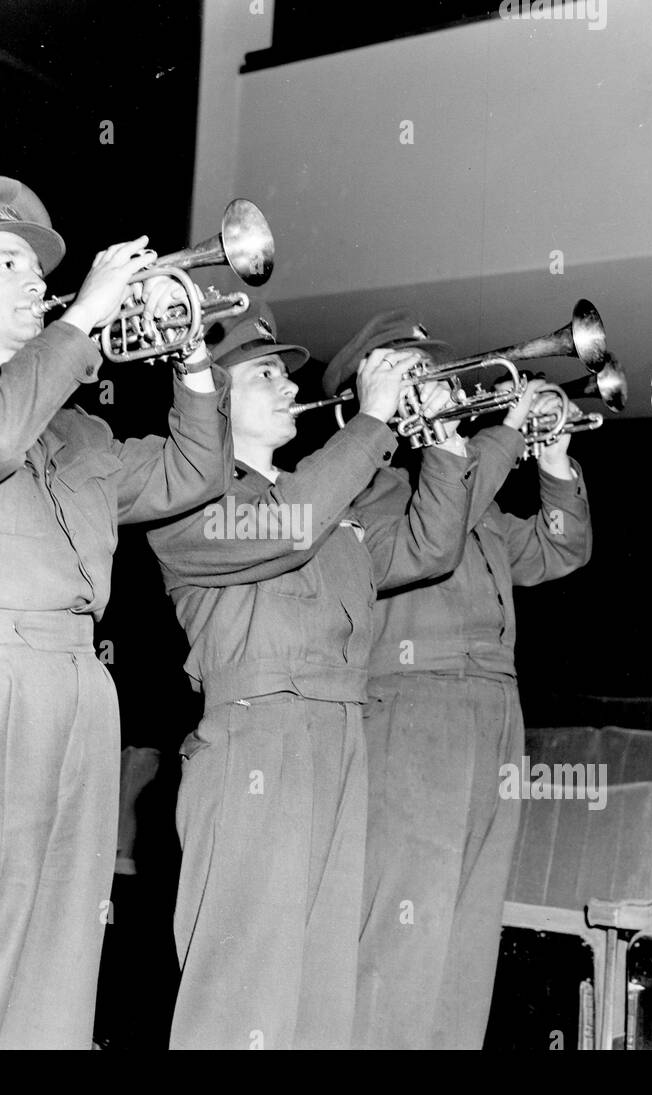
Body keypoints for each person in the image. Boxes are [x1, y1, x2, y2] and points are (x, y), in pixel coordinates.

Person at [0, 176, 231, 1049]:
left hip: (80, 692)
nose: (32, 278)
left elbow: (190, 475)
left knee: (55, 970)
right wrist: (79, 323)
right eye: (7, 261)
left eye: (38, 266)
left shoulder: (78, 433)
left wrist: (194, 360)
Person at [146, 303, 481, 1049]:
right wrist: (370, 422)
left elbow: (429, 548)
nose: (289, 384)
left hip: (339, 737)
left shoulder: (328, 504)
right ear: (217, 396)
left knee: (319, 993)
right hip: (256, 739)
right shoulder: (192, 500)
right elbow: (287, 526)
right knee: (242, 994)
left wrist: (448, 445)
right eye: (266, 372)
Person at [326, 311, 592, 1050]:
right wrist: (501, 434)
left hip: (495, 716)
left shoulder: (456, 485)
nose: (439, 389)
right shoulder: (363, 491)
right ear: (364, 395)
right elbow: (428, 547)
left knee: (467, 936)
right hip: (415, 713)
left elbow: (554, 553)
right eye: (414, 377)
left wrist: (555, 462)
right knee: (402, 937)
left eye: (435, 376)